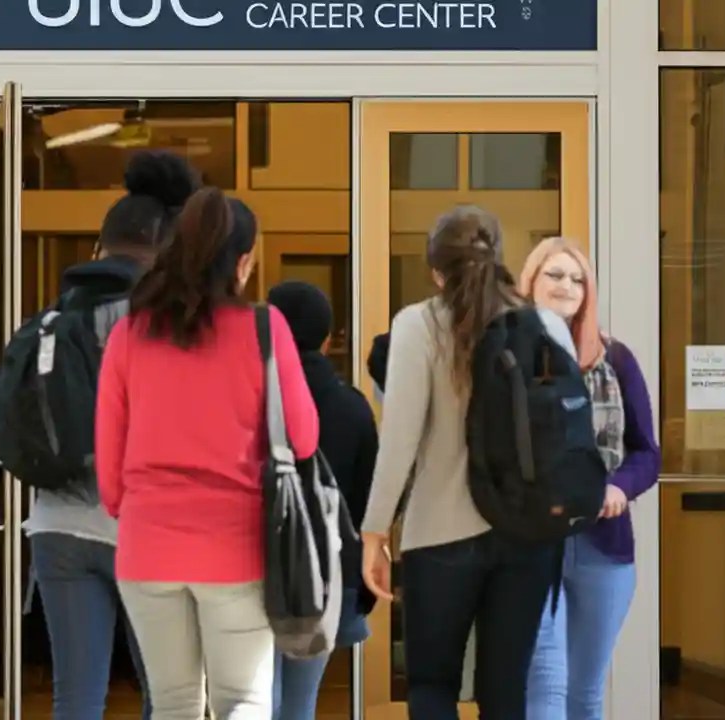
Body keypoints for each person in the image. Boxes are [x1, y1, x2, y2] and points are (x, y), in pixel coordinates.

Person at [96, 187, 320, 720]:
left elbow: (109, 474)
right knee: (241, 699)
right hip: (235, 546)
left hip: (147, 546)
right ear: (243, 262)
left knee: (173, 704)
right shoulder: (265, 329)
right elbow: (304, 437)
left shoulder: (130, 334)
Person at [359, 205, 576, 720]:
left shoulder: (419, 324)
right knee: (506, 692)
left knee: (433, 685)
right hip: (527, 535)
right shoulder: (546, 325)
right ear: (499, 259)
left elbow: (400, 439)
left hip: (440, 536)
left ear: (436, 271)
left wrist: (375, 533)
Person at [22, 150, 199, 720]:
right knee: (166, 695)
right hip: (147, 530)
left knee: (76, 696)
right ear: (168, 251)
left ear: (99, 247)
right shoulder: (169, 323)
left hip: (57, 526)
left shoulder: (52, 318)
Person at [519, 237, 661, 720]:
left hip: (605, 547)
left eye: (578, 277)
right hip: (532, 543)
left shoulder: (615, 359)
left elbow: (647, 452)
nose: (567, 285)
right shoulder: (508, 357)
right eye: (554, 274)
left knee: (583, 690)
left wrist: (620, 486)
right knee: (545, 684)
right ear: (530, 283)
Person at [266, 281, 378, 720]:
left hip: (255, 566)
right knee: (299, 704)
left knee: (254, 699)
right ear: (328, 339)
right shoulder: (351, 406)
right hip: (325, 577)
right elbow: (368, 499)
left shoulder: (251, 399)